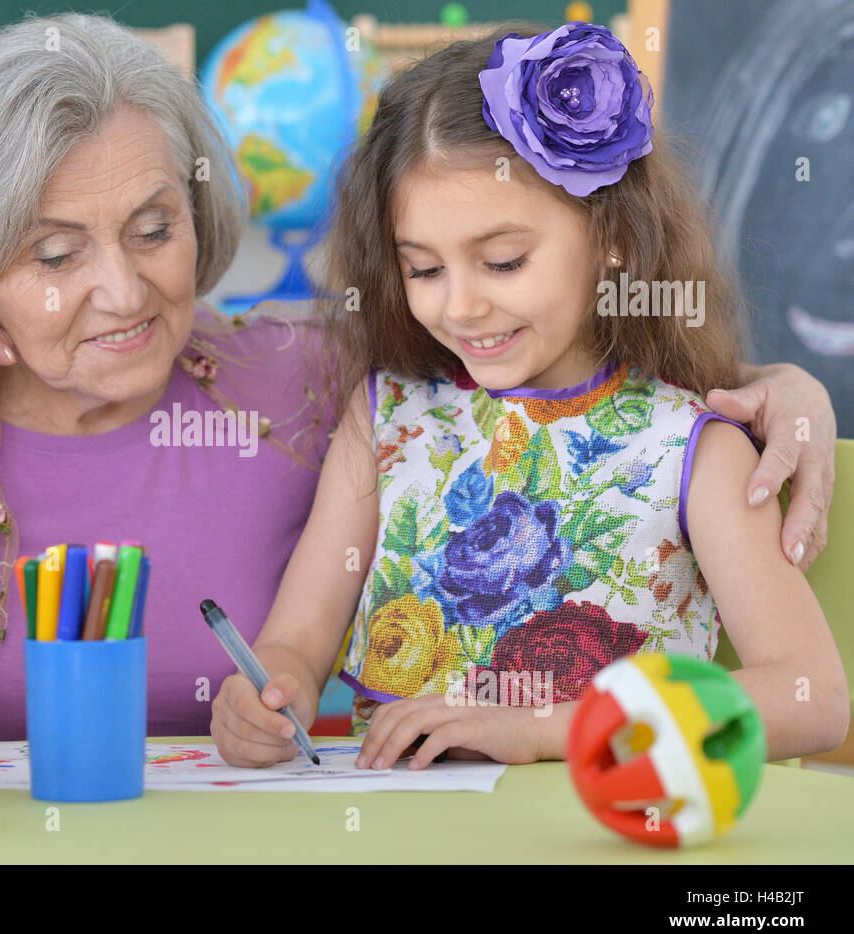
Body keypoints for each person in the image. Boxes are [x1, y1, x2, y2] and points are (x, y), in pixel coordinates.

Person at [0, 14, 837, 760]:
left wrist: (773, 385)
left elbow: (577, 392)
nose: (123, 289)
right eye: (55, 255)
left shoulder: (305, 376)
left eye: (155, 229)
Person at [211, 21, 849, 770]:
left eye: (503, 262)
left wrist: (549, 729)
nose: (461, 308)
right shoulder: (387, 416)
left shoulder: (694, 448)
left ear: (611, 237)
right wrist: (266, 687)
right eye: (422, 269)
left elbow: (812, 698)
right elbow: (296, 639)